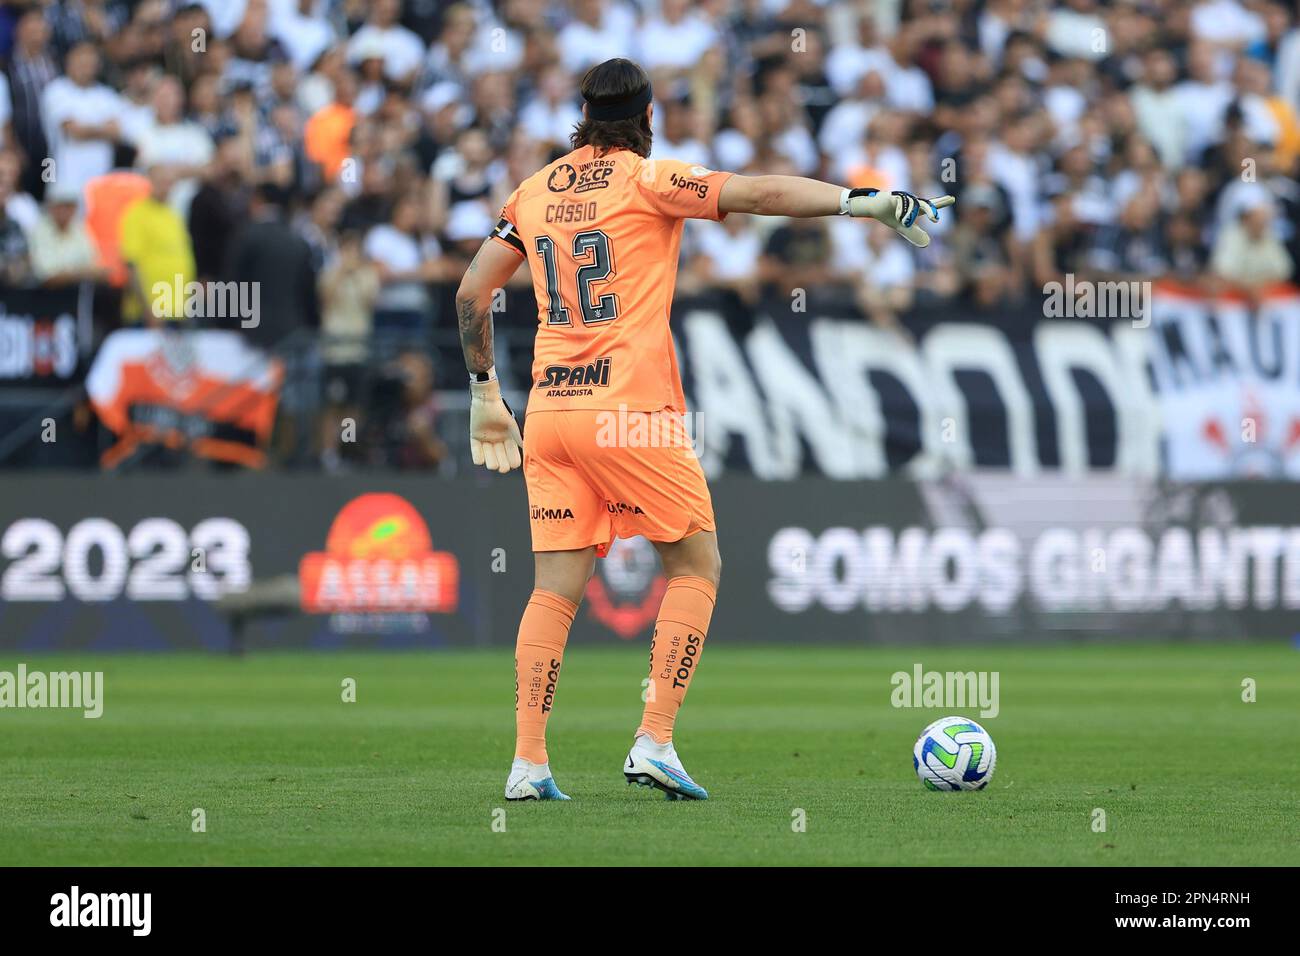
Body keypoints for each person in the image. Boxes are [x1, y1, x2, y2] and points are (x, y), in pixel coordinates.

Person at [453, 58, 952, 802]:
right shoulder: (649, 179)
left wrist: (484, 392)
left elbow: (472, 292)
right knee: (695, 566)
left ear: (582, 115)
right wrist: (864, 201)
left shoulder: (533, 191)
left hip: (549, 409)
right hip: (629, 411)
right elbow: (759, 192)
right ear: (648, 119)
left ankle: (528, 763)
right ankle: (653, 738)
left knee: (553, 588)